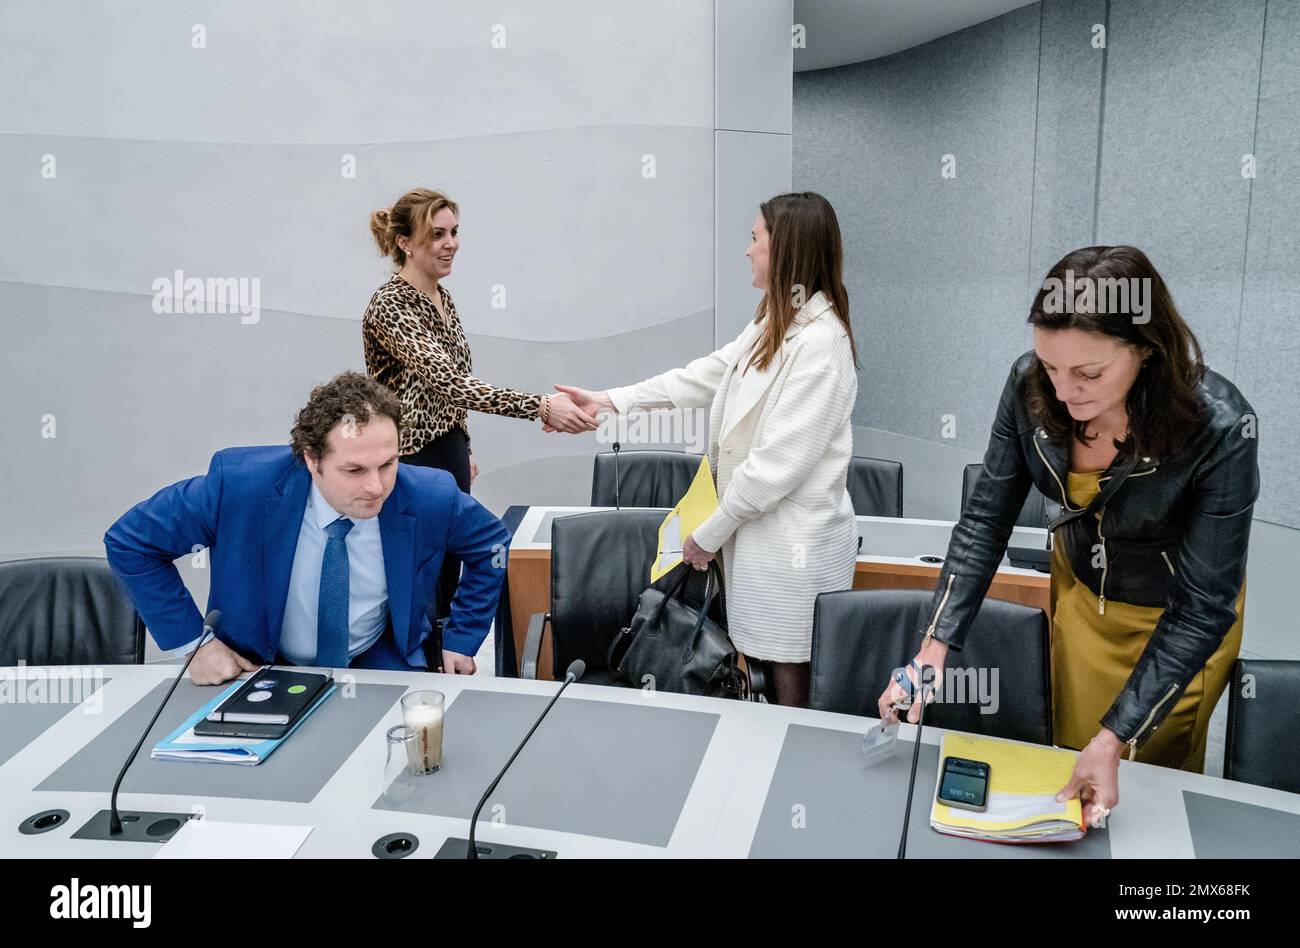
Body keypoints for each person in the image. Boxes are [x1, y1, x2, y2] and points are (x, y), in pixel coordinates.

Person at [877, 245, 1259, 826]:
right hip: (1084, 599)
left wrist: (1113, 741)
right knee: (1068, 762)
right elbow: (985, 520)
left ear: (1147, 351)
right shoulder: (1031, 387)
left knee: (1142, 787)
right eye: (1051, 367)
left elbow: (1205, 607)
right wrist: (932, 652)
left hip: (1174, 620)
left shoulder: (1221, 428)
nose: (1062, 391)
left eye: (1088, 373)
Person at [555, 192, 859, 706]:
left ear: (786, 249)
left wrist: (709, 534)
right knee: (760, 671)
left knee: (790, 685)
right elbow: (704, 375)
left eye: (756, 238)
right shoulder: (778, 320)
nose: (747, 250)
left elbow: (772, 469)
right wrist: (610, 402)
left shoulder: (821, 345)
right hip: (759, 543)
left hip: (792, 552)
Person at [104, 372, 510, 685]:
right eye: (354, 470)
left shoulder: (427, 494)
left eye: (387, 464)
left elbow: (491, 544)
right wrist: (195, 646)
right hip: (256, 666)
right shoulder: (240, 486)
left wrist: (462, 637)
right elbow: (131, 542)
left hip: (376, 662)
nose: (375, 487)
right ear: (312, 460)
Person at [363, 187, 596, 629]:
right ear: (405, 243)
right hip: (408, 463)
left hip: (446, 453)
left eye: (454, 232)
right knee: (420, 586)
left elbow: (448, 388)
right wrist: (541, 407)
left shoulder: (441, 298)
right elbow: (451, 382)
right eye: (436, 235)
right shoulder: (391, 305)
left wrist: (462, 443)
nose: (450, 243)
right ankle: (418, 676)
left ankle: (444, 671)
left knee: (447, 580)